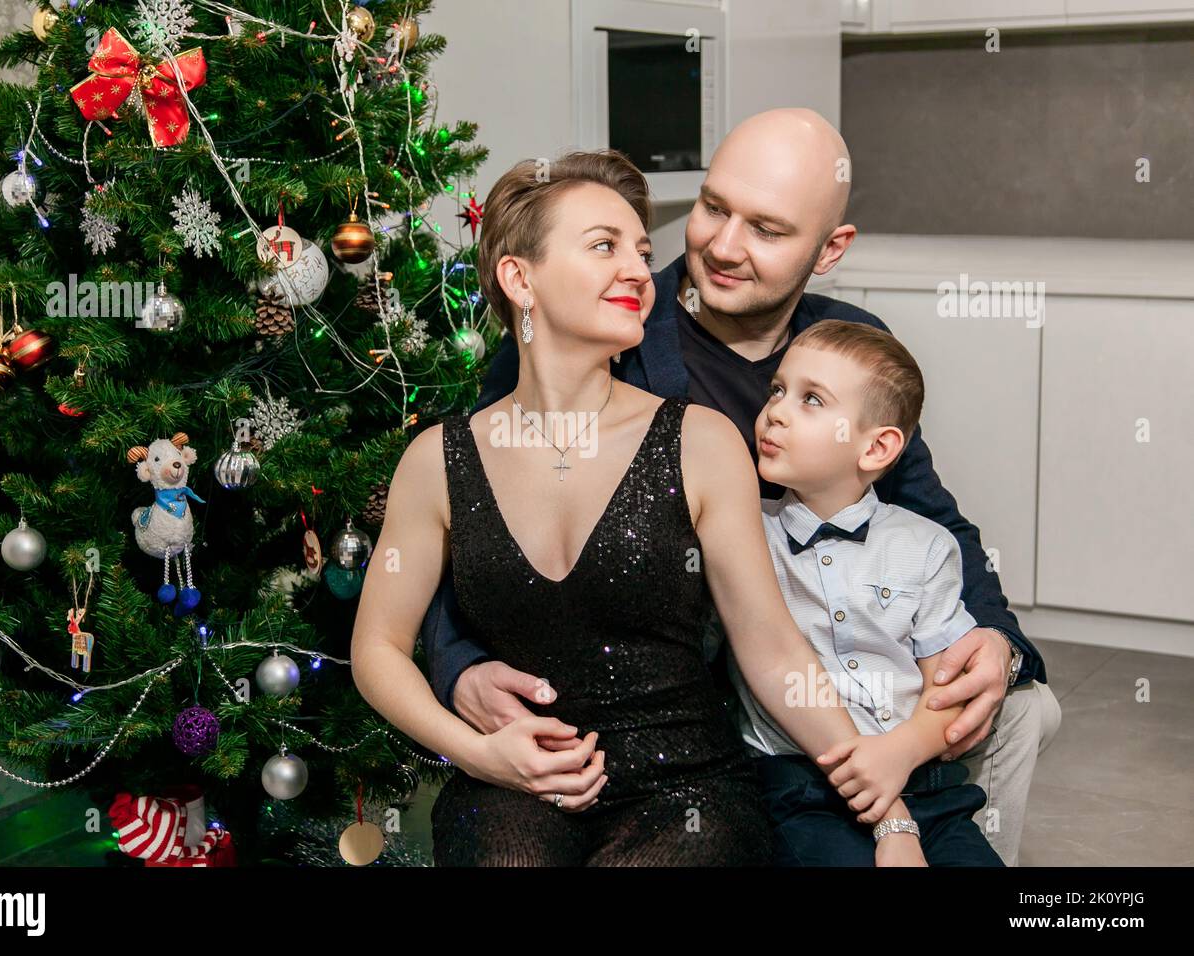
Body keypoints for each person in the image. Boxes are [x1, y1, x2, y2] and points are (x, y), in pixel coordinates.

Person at [422, 107, 1060, 866]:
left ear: (830, 250)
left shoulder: (852, 345)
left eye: (767, 229)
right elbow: (469, 516)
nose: (722, 247)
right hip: (677, 688)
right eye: (713, 208)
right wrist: (457, 664)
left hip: (816, 651)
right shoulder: (596, 325)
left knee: (1022, 707)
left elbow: (930, 519)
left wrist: (997, 642)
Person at [351, 150, 926, 866]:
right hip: (514, 781)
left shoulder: (703, 443)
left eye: (642, 250)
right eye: (604, 246)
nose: (638, 272)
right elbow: (375, 649)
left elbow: (775, 652)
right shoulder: (437, 461)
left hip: (686, 787)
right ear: (518, 277)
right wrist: (481, 755)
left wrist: (891, 816)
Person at [722, 318, 1003, 865]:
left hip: (921, 781)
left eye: (811, 400)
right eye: (777, 390)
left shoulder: (925, 546)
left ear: (876, 449)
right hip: (799, 786)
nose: (775, 411)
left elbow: (945, 685)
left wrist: (900, 752)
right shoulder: (746, 532)